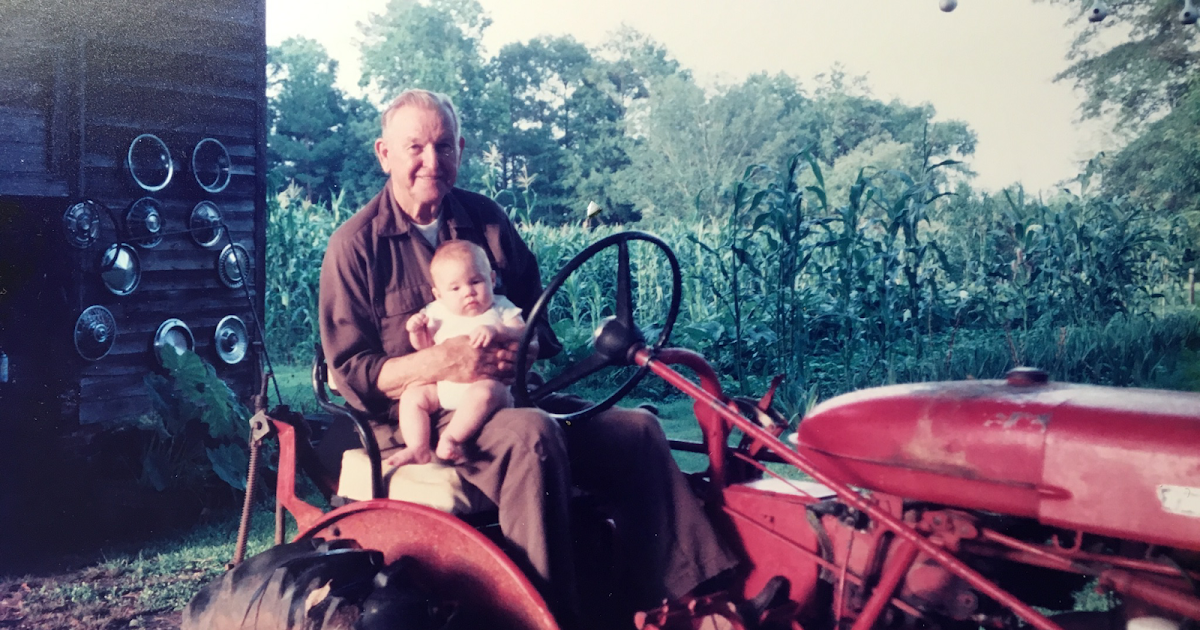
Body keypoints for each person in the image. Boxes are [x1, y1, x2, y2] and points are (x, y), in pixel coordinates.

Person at [318, 88, 737, 621]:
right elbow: (353, 373)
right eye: (415, 147)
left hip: (510, 395)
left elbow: (540, 328)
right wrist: (445, 362)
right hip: (418, 418)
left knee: (638, 430)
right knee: (533, 436)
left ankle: (692, 602)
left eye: (444, 146)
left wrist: (519, 344)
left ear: (461, 150)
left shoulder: (486, 221)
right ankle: (550, 616)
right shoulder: (355, 246)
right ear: (384, 154)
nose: (431, 161)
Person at [384, 240, 525, 467]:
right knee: (413, 396)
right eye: (455, 288)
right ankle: (417, 447)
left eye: (475, 282)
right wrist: (416, 331)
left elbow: (522, 333)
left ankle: (451, 438)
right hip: (444, 388)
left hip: (486, 388)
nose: (468, 292)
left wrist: (497, 330)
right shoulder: (437, 313)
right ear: (438, 295)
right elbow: (425, 348)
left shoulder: (501, 307)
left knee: (488, 391)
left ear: (491, 279)